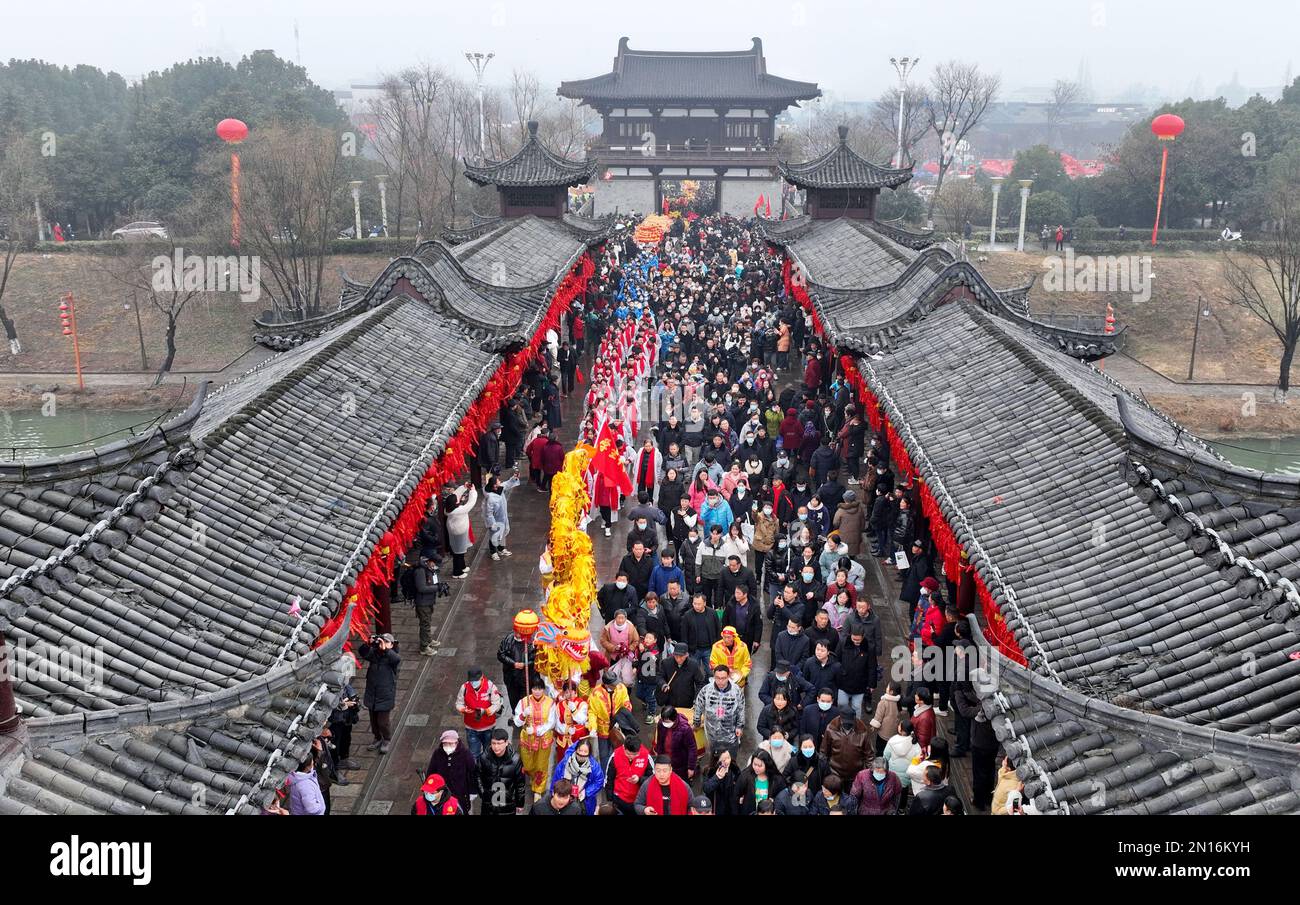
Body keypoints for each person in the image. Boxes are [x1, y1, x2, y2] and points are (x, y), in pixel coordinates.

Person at [692, 664, 745, 767]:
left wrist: (740, 726)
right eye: (718, 678)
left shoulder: (736, 690)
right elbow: (698, 705)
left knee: (730, 760)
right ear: (714, 677)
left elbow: (741, 709)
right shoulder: (706, 690)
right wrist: (696, 722)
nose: (720, 681)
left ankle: (731, 777)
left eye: (723, 678)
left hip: (731, 733)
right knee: (713, 759)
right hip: (712, 733)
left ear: (728, 677)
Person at [514, 675, 556, 797]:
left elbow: (551, 723)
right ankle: (534, 778)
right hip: (527, 740)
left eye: (540, 689)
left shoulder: (550, 703)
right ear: (531, 689)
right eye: (534, 688)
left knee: (541, 765)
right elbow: (517, 722)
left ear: (544, 689)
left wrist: (537, 730)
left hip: (544, 739)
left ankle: (538, 789)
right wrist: (523, 714)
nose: (537, 691)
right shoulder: (523, 702)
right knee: (528, 765)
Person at [358, 633, 400, 755]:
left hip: (385, 694)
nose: (384, 644)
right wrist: (368, 643)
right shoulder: (374, 654)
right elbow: (362, 652)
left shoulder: (392, 657)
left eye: (387, 642)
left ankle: (386, 739)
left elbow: (396, 659)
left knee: (383, 721)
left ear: (392, 644)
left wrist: (386, 650)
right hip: (372, 691)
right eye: (383, 641)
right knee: (373, 720)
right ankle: (377, 737)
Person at [588, 669, 634, 768]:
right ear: (606, 684)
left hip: (617, 727)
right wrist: (593, 728)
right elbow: (592, 712)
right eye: (613, 684)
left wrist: (622, 720)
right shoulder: (596, 693)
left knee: (618, 751)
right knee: (604, 755)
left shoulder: (621, 688)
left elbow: (626, 704)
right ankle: (605, 775)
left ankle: (616, 771)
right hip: (602, 729)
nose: (616, 685)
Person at [456, 667, 503, 761]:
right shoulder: (464, 687)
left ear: (482, 677)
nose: (473, 683)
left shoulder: (490, 687)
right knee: (474, 755)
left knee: (488, 754)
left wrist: (485, 711)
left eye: (475, 680)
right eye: (471, 681)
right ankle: (476, 773)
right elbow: (459, 703)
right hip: (471, 728)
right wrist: (463, 709)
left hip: (488, 728)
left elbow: (497, 705)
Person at [550, 737, 605, 815]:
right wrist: (553, 794)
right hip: (565, 794)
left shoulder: (594, 766)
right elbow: (556, 779)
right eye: (580, 750)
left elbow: (599, 781)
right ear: (576, 750)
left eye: (585, 751)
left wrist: (586, 792)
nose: (582, 754)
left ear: (589, 753)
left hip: (582, 799)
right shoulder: (566, 762)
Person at [477, 728, 525, 815]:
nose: (496, 747)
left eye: (499, 743)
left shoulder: (516, 760)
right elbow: (478, 776)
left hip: (508, 803)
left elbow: (520, 784)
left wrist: (520, 803)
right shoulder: (484, 757)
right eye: (493, 743)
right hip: (489, 803)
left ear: (506, 743)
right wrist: (483, 793)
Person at [426, 729, 476, 811]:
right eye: (445, 743)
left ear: (457, 742)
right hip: (442, 792)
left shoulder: (465, 753)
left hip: (461, 792)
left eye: (451, 743)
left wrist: (472, 791)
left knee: (462, 810)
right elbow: (431, 771)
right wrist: (429, 787)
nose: (448, 746)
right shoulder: (437, 753)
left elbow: (472, 772)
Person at [819, 707, 872, 784]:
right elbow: (823, 751)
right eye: (845, 722)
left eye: (850, 723)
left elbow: (869, 755)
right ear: (840, 719)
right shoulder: (831, 729)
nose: (847, 725)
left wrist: (869, 775)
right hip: (834, 773)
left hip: (855, 775)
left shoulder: (862, 731)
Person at [604, 733, 653, 815]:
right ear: (624, 747)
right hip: (618, 799)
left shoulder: (646, 756)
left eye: (635, 754)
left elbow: (652, 780)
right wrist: (610, 801)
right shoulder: (615, 756)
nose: (631, 757)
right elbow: (608, 780)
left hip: (638, 801)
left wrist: (639, 779)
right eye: (628, 754)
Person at [651, 705, 699, 782]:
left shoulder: (685, 729)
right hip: (666, 760)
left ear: (674, 719)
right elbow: (660, 740)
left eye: (667, 722)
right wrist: (658, 754)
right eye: (663, 721)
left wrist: (691, 767)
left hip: (680, 764)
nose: (665, 723)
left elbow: (692, 748)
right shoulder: (661, 724)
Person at [483, 468, 521, 560]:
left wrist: (514, 478)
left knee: (502, 533)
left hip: (502, 517)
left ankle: (501, 549)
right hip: (495, 520)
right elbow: (489, 513)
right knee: (494, 535)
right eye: (498, 481)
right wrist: (492, 523)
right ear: (494, 485)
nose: (500, 481)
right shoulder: (491, 498)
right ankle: (493, 552)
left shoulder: (499, 489)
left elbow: (507, 483)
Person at [442, 482, 478, 579]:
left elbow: (454, 496)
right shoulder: (459, 510)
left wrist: (464, 487)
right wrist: (473, 491)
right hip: (459, 532)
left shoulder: (448, 509)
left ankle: (462, 566)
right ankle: (457, 572)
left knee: (459, 552)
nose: (458, 499)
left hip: (455, 531)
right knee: (458, 553)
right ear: (456, 503)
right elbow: (471, 502)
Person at [411, 554, 444, 656]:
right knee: (425, 623)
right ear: (430, 561)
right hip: (422, 602)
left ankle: (428, 639)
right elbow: (422, 588)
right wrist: (437, 588)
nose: (435, 566)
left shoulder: (429, 568)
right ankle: (424, 647)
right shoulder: (420, 571)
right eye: (435, 563)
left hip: (429, 600)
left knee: (428, 621)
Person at [736, 749, 785, 815]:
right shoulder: (745, 776)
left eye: (760, 766)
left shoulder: (776, 779)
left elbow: (783, 796)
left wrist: (774, 801)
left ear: (767, 765)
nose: (756, 768)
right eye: (754, 764)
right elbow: (736, 794)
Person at [496, 628, 534, 712]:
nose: (518, 633)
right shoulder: (508, 639)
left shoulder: (531, 642)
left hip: (526, 678)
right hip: (511, 677)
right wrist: (513, 664)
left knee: (525, 699)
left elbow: (535, 660)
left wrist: (525, 665)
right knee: (513, 698)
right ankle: (515, 714)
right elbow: (500, 655)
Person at [701, 748, 741, 816]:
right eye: (723, 760)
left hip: (731, 806)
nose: (727, 761)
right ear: (717, 761)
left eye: (728, 758)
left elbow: (740, 782)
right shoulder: (710, 771)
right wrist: (717, 778)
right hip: (717, 807)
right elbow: (706, 788)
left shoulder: (734, 768)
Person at [870, 681, 903, 757]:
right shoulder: (899, 701)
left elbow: (878, 716)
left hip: (883, 733)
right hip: (893, 732)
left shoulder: (883, 702)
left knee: (880, 749)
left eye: (887, 687)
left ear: (891, 692)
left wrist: (874, 726)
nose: (886, 688)